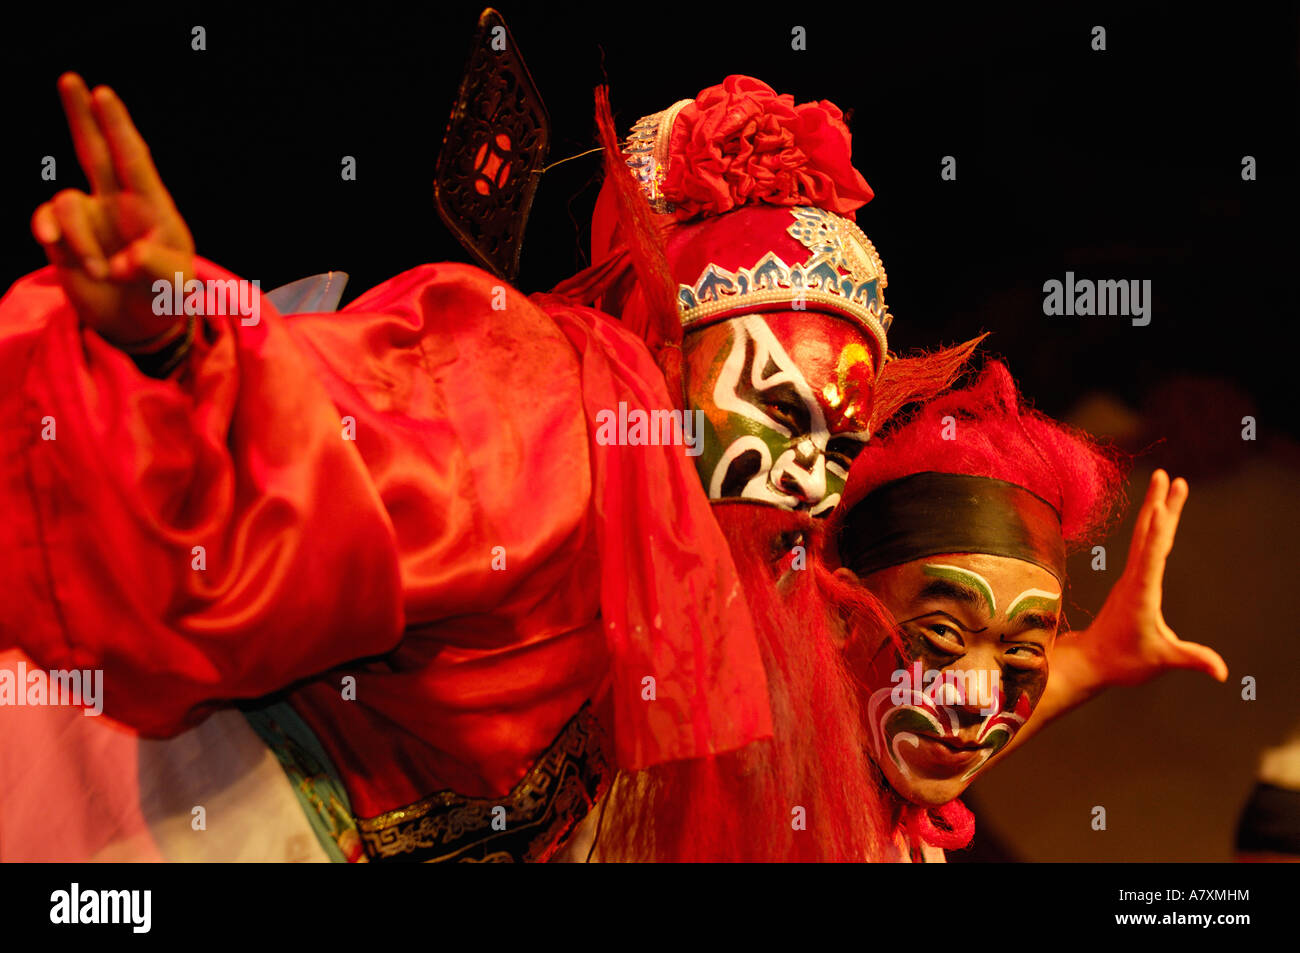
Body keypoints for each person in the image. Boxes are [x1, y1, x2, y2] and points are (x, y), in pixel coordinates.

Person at [817, 360, 1227, 860]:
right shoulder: (777, 782)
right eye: (945, 635)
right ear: (845, 613)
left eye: (1021, 652)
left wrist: (1099, 655)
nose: (979, 698)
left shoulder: (893, 793)